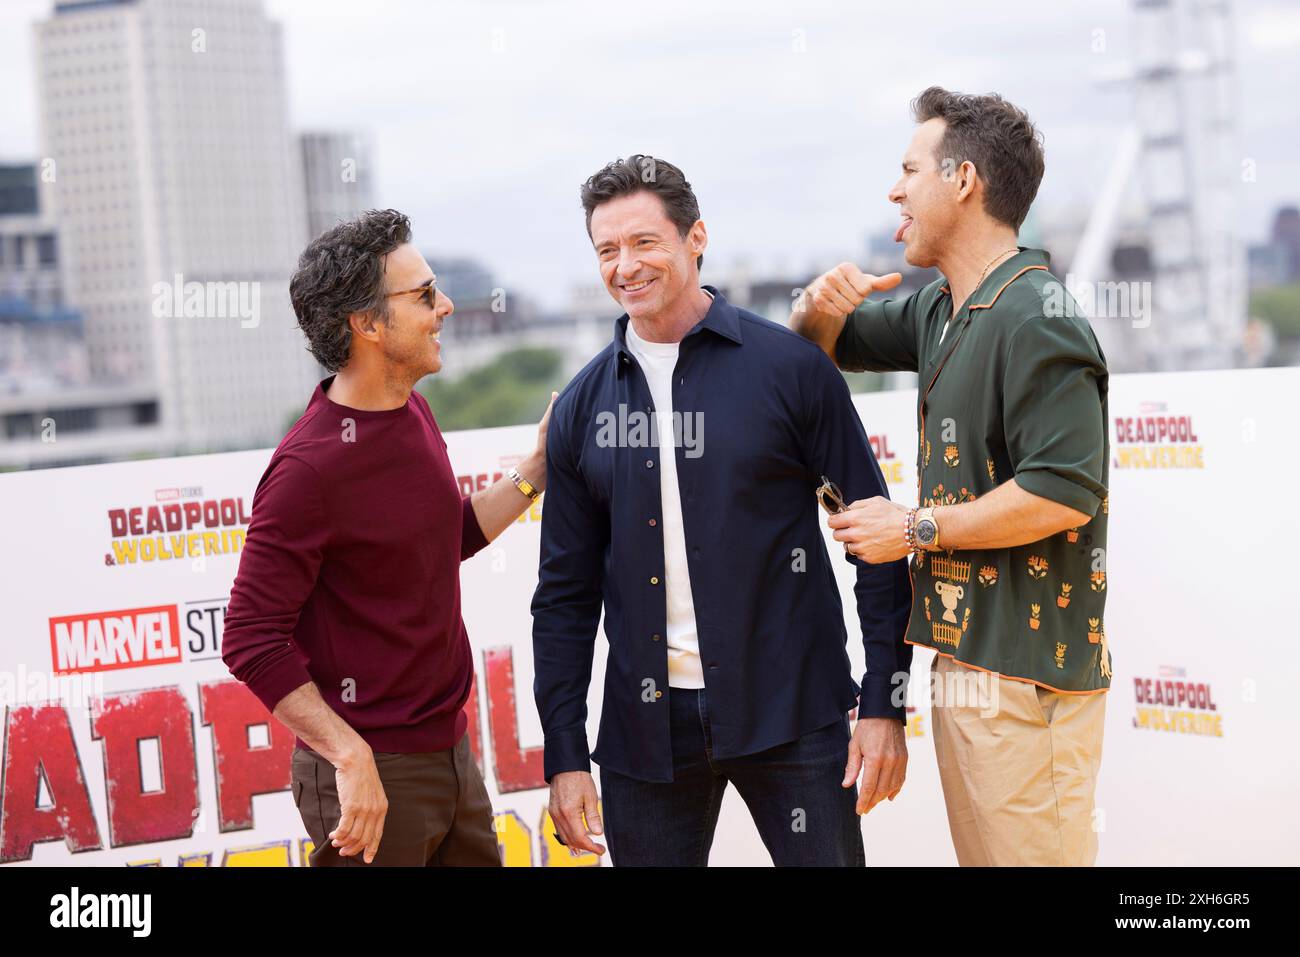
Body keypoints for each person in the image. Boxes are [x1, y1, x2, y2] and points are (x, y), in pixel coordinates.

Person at [532, 156, 912, 866]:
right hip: (645, 735)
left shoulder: (790, 369)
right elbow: (563, 598)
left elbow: (876, 541)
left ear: (695, 237)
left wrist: (886, 701)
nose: (625, 266)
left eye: (644, 242)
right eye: (606, 250)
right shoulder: (581, 408)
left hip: (795, 710)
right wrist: (565, 754)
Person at [791, 88, 1112, 866]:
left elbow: (1063, 491)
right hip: (967, 668)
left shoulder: (1039, 317)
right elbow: (822, 346)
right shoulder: (943, 307)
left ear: (963, 180)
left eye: (909, 170)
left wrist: (912, 527)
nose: (894, 190)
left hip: (1027, 682)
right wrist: (814, 310)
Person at [222, 209, 554, 866]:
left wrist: (536, 470)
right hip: (371, 778)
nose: (447, 306)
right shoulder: (308, 470)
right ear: (368, 324)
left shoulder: (413, 411)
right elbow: (248, 636)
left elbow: (442, 536)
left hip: (449, 757)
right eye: (424, 294)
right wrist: (349, 755)